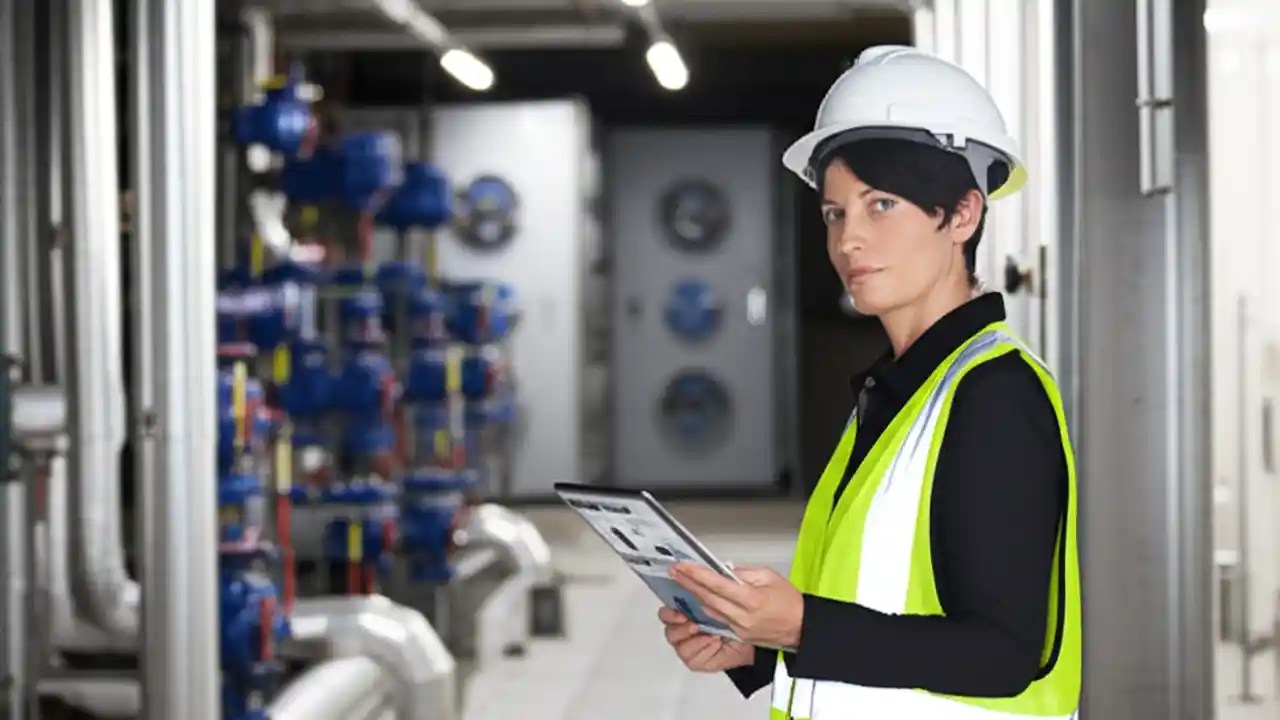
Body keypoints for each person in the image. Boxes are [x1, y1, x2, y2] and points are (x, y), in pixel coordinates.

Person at [661, 45, 1081, 719]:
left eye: (881, 204)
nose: (848, 240)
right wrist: (757, 648)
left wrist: (800, 625)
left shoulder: (994, 395)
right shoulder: (898, 395)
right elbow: (879, 605)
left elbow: (1004, 653)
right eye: (834, 213)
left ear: (963, 216)